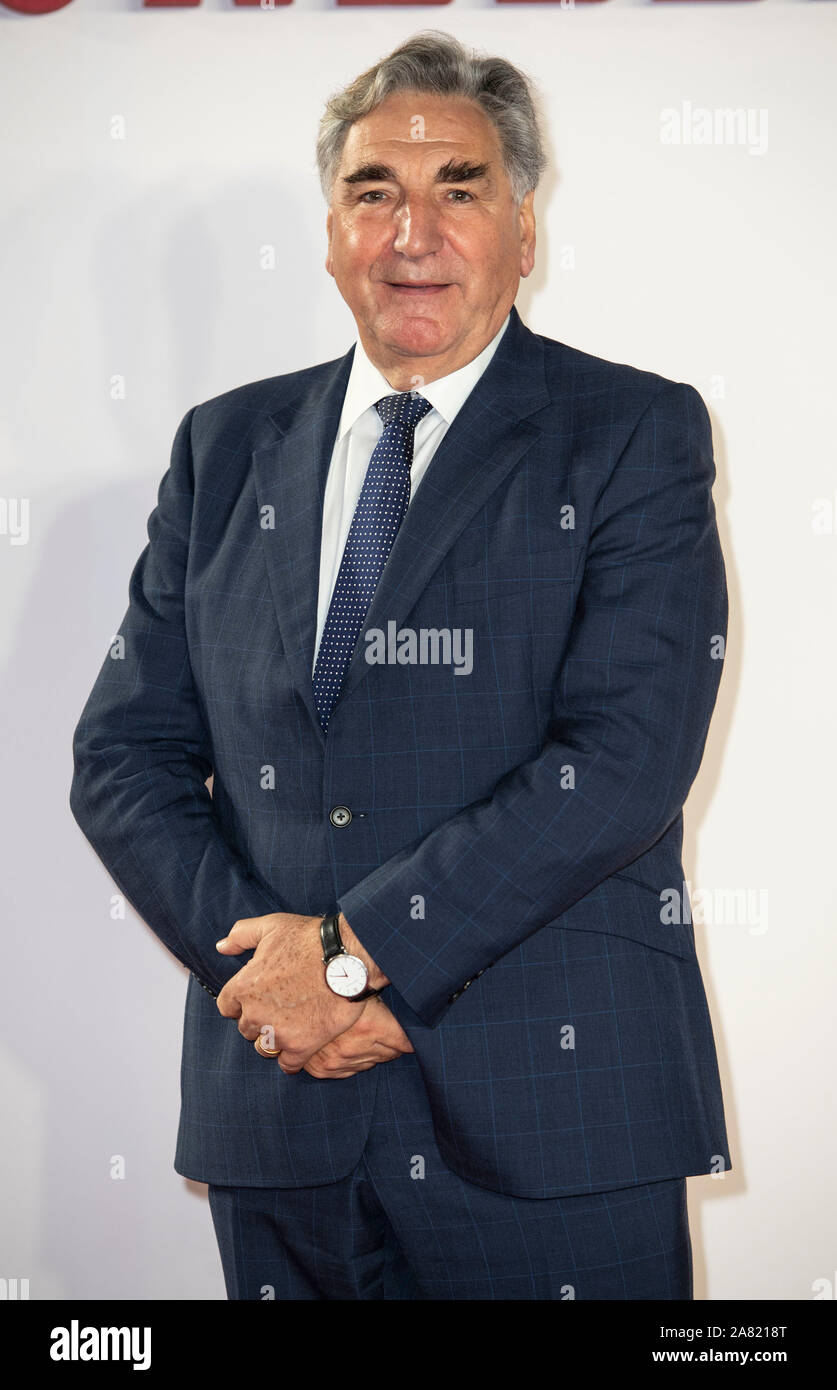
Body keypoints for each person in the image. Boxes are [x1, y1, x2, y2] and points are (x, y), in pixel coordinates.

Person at [70, 29, 731, 1300]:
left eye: (459, 188)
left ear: (524, 231)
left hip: (551, 1113)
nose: (411, 232)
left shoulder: (634, 432)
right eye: (374, 191)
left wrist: (354, 959)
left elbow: (624, 761)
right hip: (281, 1123)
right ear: (331, 233)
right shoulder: (224, 448)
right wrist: (275, 989)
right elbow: (121, 758)